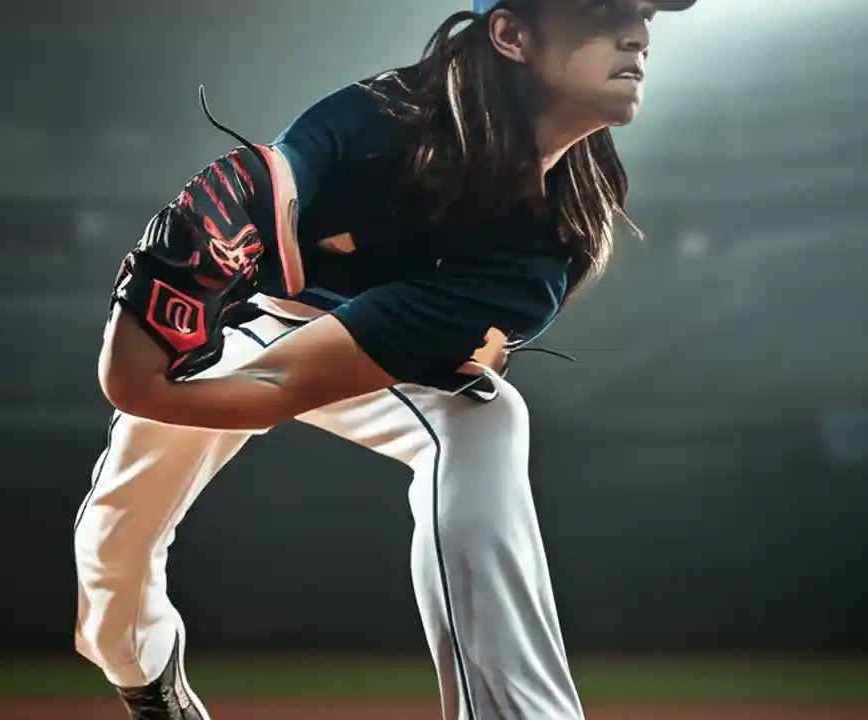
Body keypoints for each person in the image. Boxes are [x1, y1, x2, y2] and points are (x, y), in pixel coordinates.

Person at [73, 1, 697, 718]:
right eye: (601, 11)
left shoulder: (544, 249)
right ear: (511, 33)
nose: (638, 34)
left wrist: (135, 384)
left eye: (644, 13)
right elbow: (277, 178)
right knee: (112, 539)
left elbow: (284, 382)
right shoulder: (394, 109)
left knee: (484, 423)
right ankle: (144, 670)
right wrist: (163, 322)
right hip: (246, 318)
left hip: (368, 353)